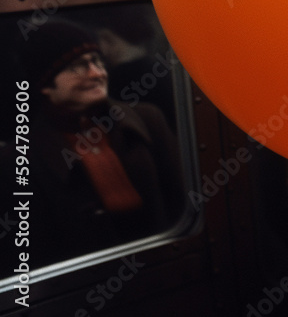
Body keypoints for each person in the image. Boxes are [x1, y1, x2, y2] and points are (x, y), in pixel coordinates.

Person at [2, 19, 183, 267]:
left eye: (97, 61)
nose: (97, 73)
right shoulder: (19, 158)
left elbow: (182, 198)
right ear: (44, 84)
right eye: (78, 67)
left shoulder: (147, 120)